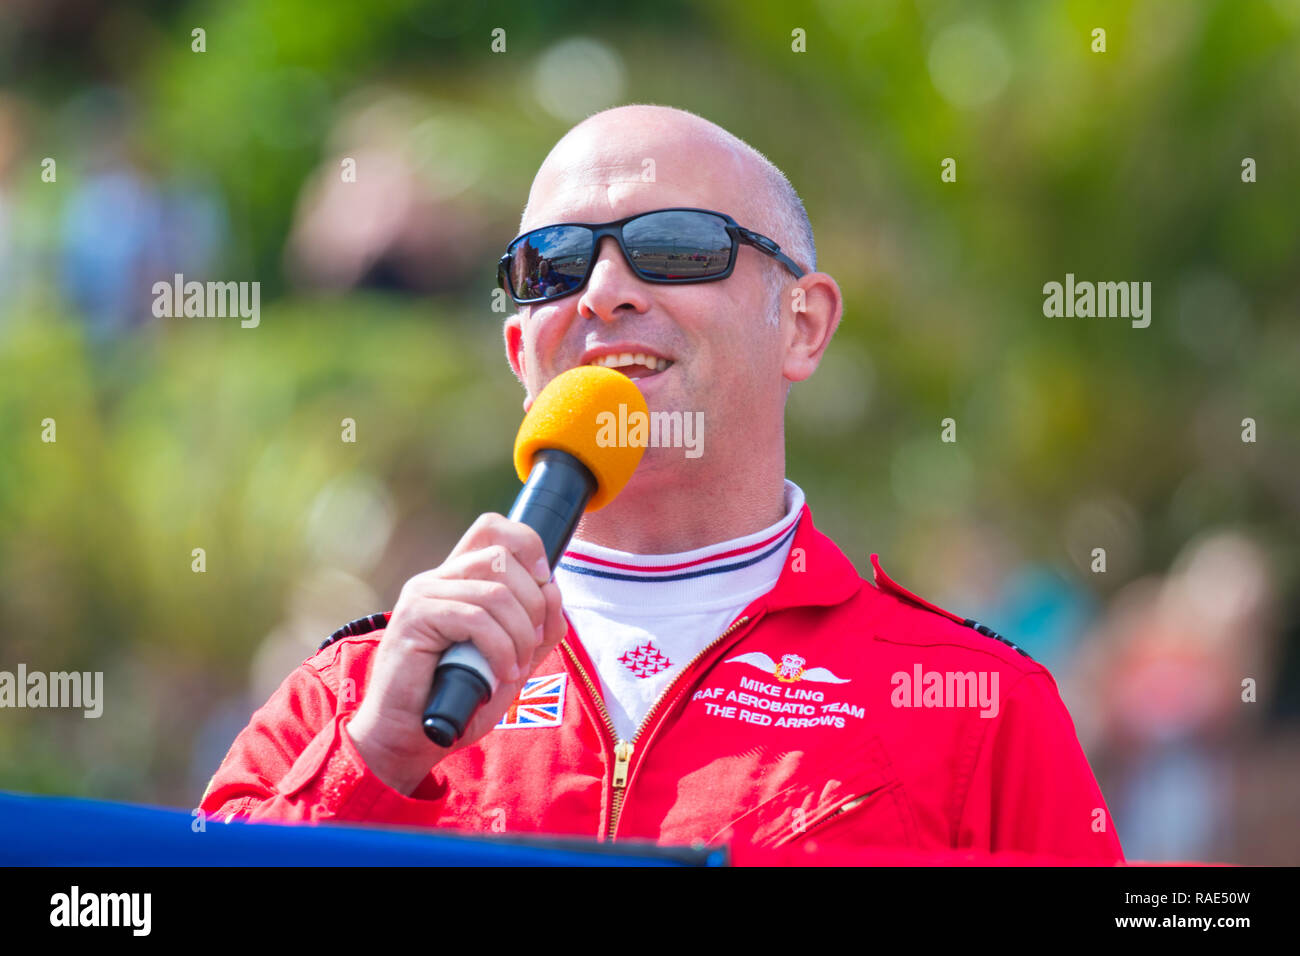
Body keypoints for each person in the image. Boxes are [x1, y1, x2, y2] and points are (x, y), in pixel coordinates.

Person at [201, 104, 1124, 864]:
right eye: (553, 265)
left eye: (676, 247)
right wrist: (374, 763)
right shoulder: (351, 698)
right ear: (523, 350)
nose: (603, 290)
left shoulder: (977, 705)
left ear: (802, 324)